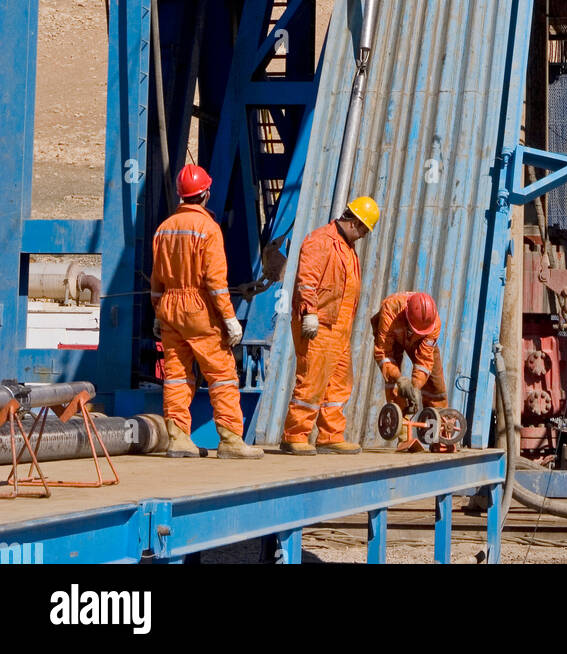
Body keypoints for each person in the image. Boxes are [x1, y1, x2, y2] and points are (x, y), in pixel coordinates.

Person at [151, 164, 263, 460]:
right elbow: (215, 283)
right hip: (199, 310)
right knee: (221, 374)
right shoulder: (208, 229)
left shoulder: (163, 229)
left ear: (181, 196)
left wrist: (157, 313)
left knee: (176, 375)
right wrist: (229, 319)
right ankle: (230, 440)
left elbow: (157, 279)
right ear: (206, 194)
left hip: (169, 309)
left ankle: (178, 439)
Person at [280, 197, 380, 455]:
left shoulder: (347, 247)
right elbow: (307, 280)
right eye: (364, 230)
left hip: (340, 328)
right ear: (355, 223)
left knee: (339, 384)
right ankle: (295, 435)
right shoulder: (321, 240)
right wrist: (309, 313)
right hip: (320, 324)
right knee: (312, 380)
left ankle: (330, 436)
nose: (363, 235)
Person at [370, 291, 447, 413]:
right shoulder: (390, 310)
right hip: (392, 333)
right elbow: (384, 353)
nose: (417, 333)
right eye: (415, 330)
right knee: (394, 383)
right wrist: (399, 378)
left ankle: (439, 423)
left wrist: (416, 386)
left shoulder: (433, 324)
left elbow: (425, 360)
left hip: (419, 341)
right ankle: (400, 423)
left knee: (435, 383)